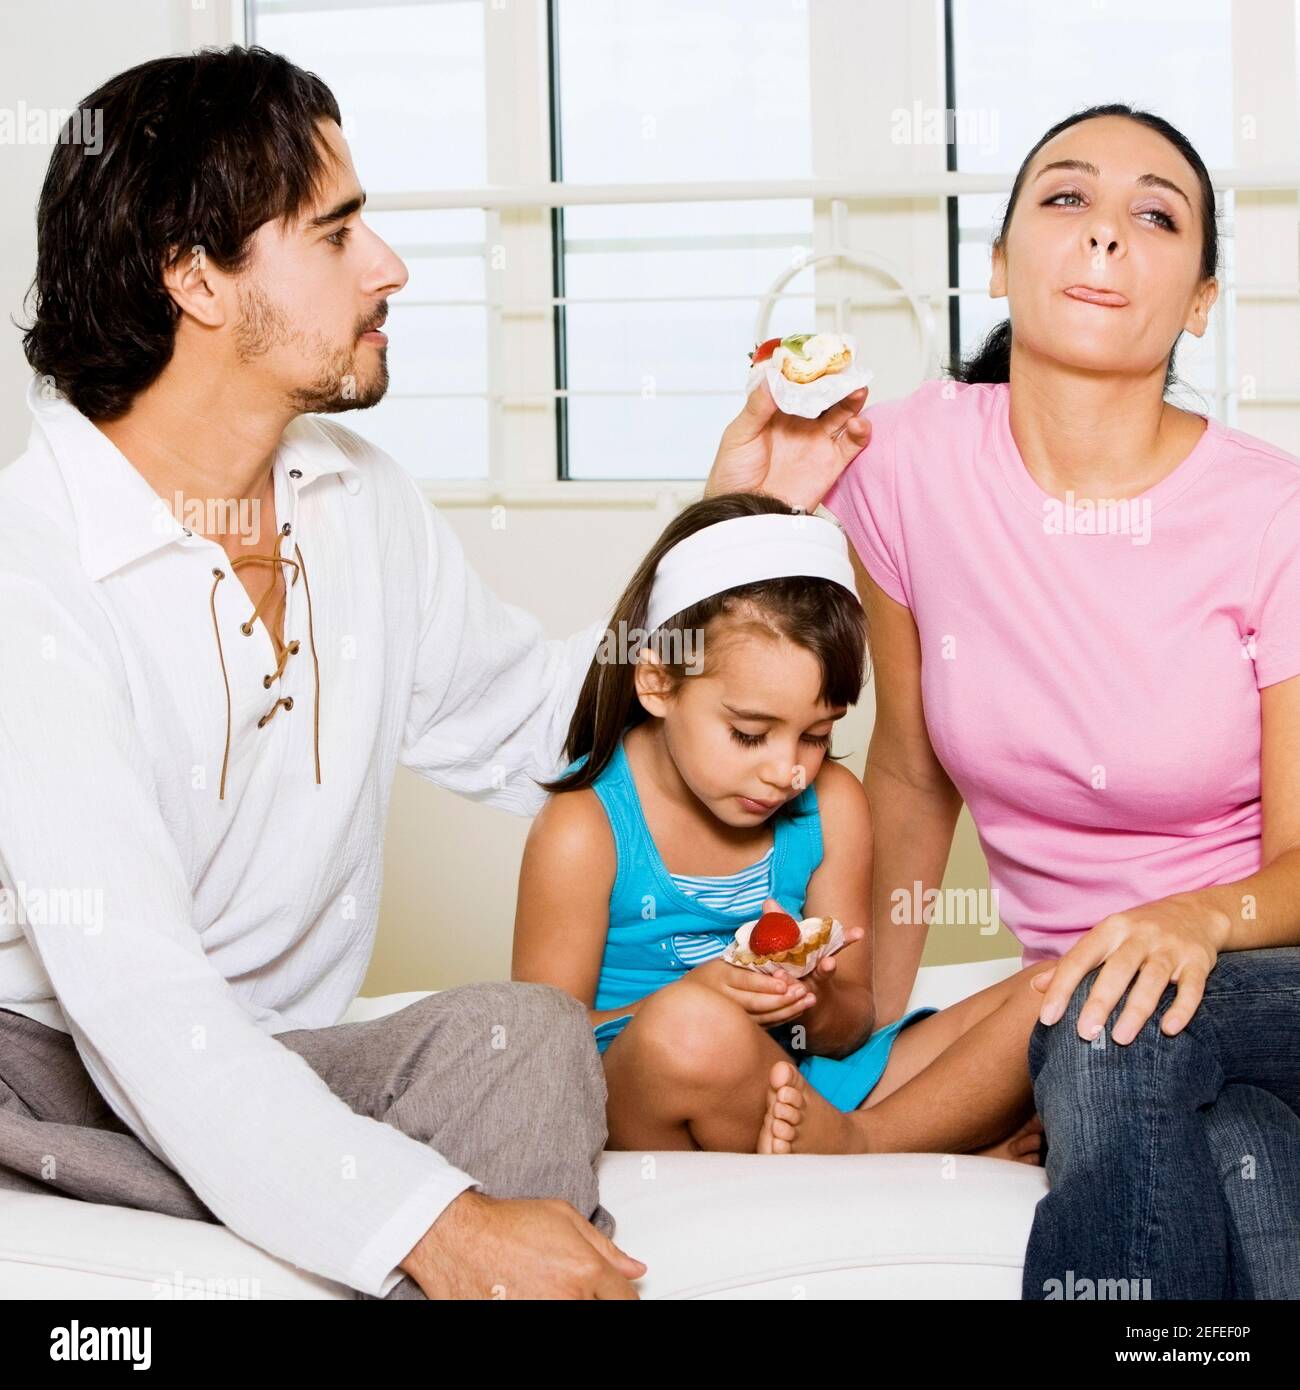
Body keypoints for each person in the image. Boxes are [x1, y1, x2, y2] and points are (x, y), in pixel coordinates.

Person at [0, 45, 869, 1301]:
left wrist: (729, 531)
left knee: (528, 1036)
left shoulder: (355, 500)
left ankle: (304, 1193)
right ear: (194, 275)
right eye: (338, 231)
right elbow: (136, 999)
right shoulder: (32, 574)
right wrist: (441, 1224)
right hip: (58, 1069)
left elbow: (545, 727)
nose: (390, 266)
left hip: (280, 1062)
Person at [815, 103, 1300, 1299]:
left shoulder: (1272, 514)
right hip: (1105, 1025)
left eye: (1153, 214)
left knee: (1107, 1019)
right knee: (1240, 1152)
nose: (1102, 236)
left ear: (1198, 301)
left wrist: (1190, 919)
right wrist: (860, 1041)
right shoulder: (908, 465)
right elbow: (910, 771)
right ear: (997, 259)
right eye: (1065, 199)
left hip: (1256, 965)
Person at [513, 490, 1048, 1162]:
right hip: (655, 1082)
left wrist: (812, 1001)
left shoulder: (831, 806)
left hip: (802, 1084)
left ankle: (864, 1142)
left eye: (816, 736)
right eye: (749, 734)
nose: (787, 772)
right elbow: (538, 1050)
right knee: (689, 1028)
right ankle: (918, 1147)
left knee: (1055, 987)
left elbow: (855, 1020)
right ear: (656, 684)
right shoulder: (584, 829)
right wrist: (697, 996)